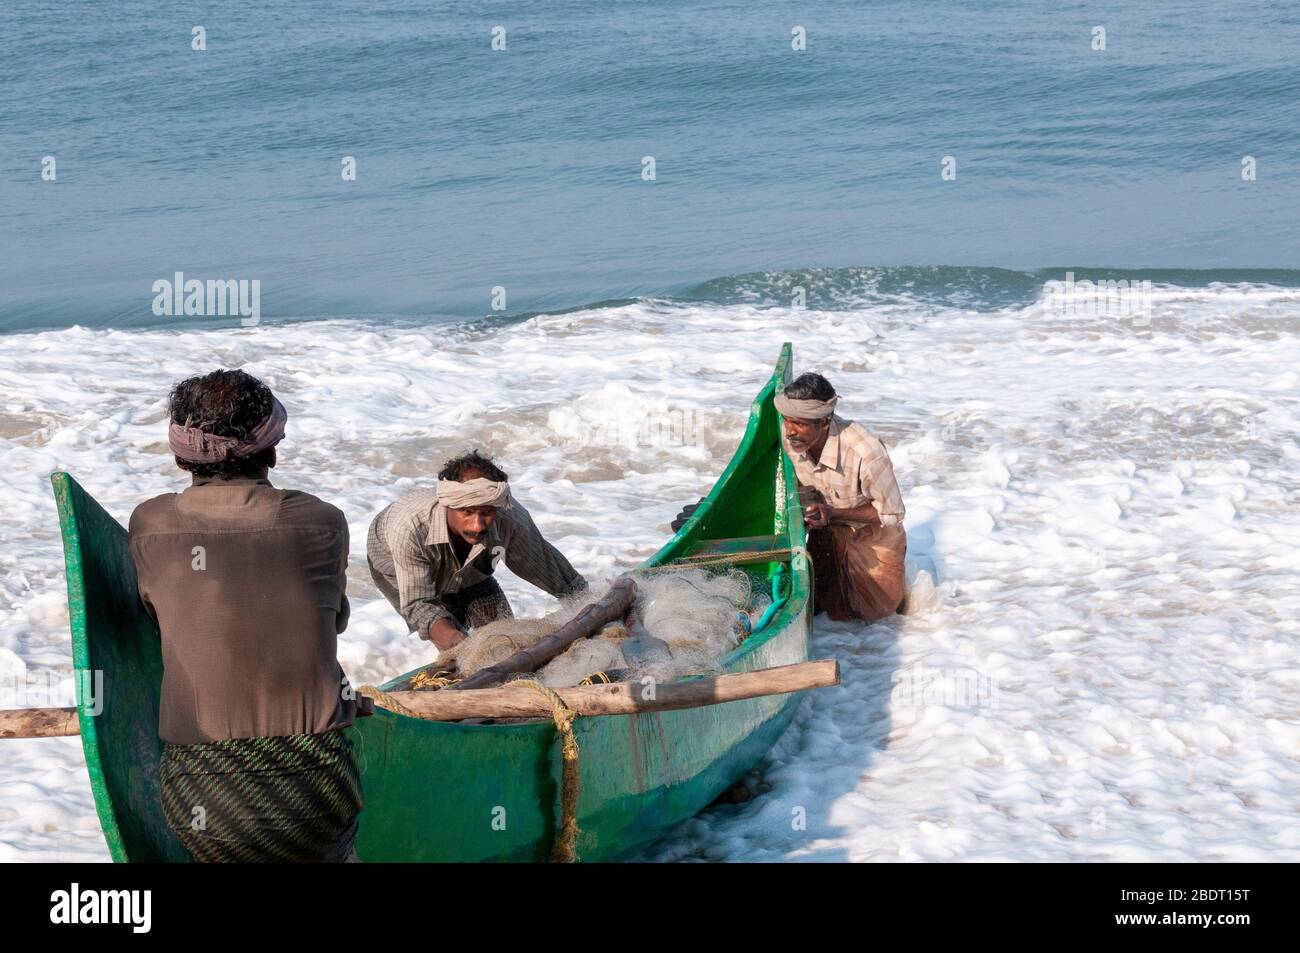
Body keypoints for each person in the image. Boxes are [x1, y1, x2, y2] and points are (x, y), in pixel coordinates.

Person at [128, 369, 361, 862]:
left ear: (179, 455)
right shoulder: (320, 521)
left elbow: (158, 618)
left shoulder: (148, 524)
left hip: (202, 791)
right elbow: (332, 620)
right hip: (313, 783)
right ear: (272, 451)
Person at [367, 450, 588, 649]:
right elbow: (419, 605)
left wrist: (590, 608)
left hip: (471, 571)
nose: (478, 525)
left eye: (487, 513)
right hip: (396, 565)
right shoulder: (410, 530)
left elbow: (558, 577)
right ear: (448, 505)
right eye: (467, 512)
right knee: (453, 639)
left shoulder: (511, 520)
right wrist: (456, 641)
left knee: (504, 640)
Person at [776, 371, 907, 622]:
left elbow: (892, 514)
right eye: (786, 420)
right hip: (827, 529)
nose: (790, 431)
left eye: (799, 424)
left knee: (876, 618)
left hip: (872, 535)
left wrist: (834, 513)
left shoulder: (867, 453)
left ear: (824, 423)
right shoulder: (790, 435)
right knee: (823, 608)